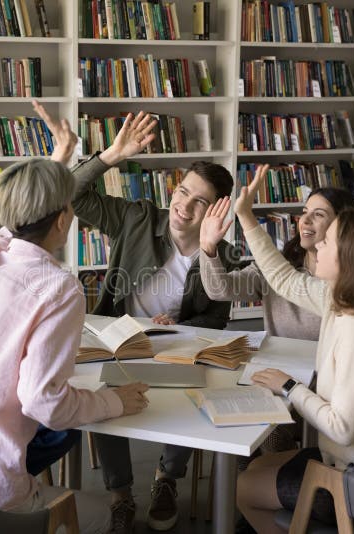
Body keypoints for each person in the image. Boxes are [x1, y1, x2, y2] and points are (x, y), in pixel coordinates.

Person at [0, 154, 152, 533]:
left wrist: (49, 167)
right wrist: (115, 401)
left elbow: (10, 231)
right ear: (62, 220)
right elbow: (45, 402)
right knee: (102, 516)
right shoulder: (59, 288)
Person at [230, 164, 354, 533]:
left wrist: (290, 387)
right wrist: (245, 217)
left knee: (241, 489)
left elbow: (342, 428)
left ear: (351, 260)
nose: (316, 243)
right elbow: (283, 278)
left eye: (328, 240)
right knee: (256, 466)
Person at [71, 115, 239, 532]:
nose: (184, 205)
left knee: (198, 390)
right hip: (118, 338)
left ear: (216, 209)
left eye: (200, 201)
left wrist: (175, 327)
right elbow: (69, 195)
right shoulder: (138, 218)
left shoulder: (221, 253)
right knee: (102, 392)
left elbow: (216, 318)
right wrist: (111, 156)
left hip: (176, 348)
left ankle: (167, 478)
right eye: (183, 191)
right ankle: (120, 494)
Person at [199, 185, 354, 461]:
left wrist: (245, 215)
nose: (305, 221)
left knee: (266, 428)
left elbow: (290, 283)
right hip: (274, 375)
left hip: (320, 386)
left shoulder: (343, 286)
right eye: (304, 212)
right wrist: (208, 248)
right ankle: (262, 478)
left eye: (318, 215)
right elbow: (220, 289)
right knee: (232, 417)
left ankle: (284, 474)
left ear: (341, 227)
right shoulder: (276, 266)